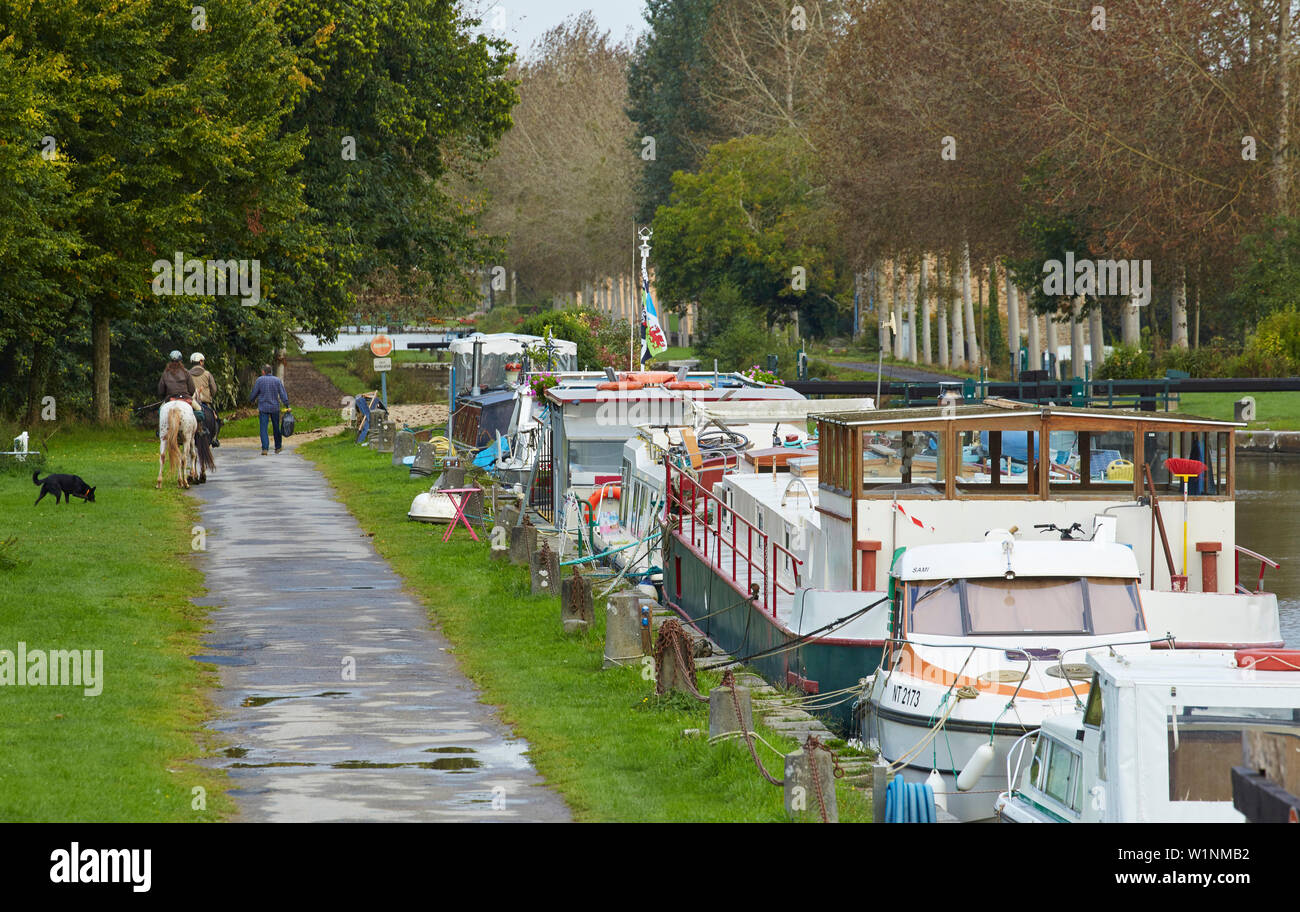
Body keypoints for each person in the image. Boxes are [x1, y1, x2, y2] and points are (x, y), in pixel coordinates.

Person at [249, 363, 290, 455]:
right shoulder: (277, 380)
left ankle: (265, 448)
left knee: (263, 428)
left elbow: (254, 392)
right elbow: (283, 394)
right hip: (275, 407)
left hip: (263, 408)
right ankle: (278, 447)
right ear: (270, 371)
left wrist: (251, 400)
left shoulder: (260, 380)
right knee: (276, 427)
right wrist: (287, 405)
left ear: (263, 371)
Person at [189, 352, 221, 447]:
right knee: (216, 418)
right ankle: (214, 438)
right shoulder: (207, 374)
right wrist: (211, 395)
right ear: (201, 362)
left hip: (190, 402)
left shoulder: (187, 374)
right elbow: (214, 389)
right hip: (204, 402)